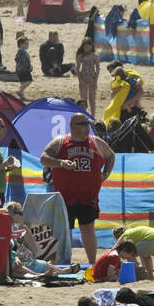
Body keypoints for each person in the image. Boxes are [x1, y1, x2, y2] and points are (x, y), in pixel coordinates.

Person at [41, 113, 115, 264]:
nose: (87, 127)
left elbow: (111, 155)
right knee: (64, 231)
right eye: (83, 124)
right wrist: (61, 163)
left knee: (87, 229)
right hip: (65, 196)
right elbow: (44, 158)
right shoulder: (61, 142)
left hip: (88, 196)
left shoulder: (96, 142)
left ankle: (92, 263)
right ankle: (63, 262)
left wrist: (106, 173)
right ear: (73, 126)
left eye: (87, 123)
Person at [75, 37, 100, 117]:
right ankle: (83, 114)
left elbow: (97, 69)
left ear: (91, 46)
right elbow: (77, 69)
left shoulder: (95, 56)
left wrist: (95, 80)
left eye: (88, 46)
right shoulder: (80, 56)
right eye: (85, 46)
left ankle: (93, 116)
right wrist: (80, 80)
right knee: (83, 98)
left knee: (92, 98)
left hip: (92, 77)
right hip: (83, 77)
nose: (87, 48)